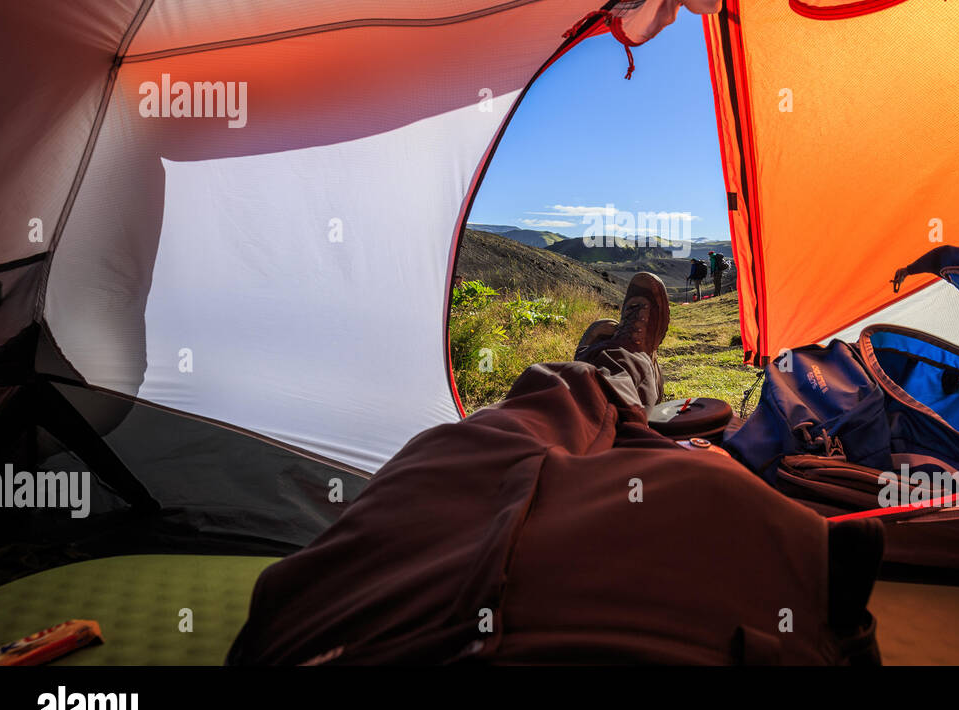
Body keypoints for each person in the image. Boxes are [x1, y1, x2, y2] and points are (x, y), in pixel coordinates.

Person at [227, 273, 882, 665]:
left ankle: (606, 368)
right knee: (616, 435)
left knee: (489, 435)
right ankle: (622, 368)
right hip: (676, 606)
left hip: (336, 623)